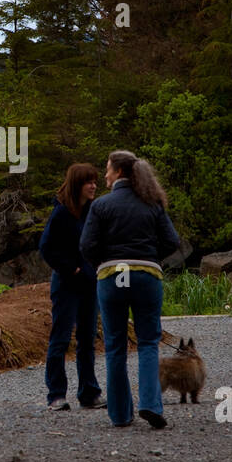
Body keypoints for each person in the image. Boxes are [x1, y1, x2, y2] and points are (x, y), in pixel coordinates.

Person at [79, 150, 181, 429]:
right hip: (146, 274)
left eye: (108, 169)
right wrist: (151, 257)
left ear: (119, 173)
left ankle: (121, 414)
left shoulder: (101, 205)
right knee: (148, 341)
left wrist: (104, 262)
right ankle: (150, 403)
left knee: (115, 345)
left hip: (112, 276)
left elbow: (87, 246)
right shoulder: (153, 204)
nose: (105, 175)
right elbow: (172, 241)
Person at [38, 163, 105, 410]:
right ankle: (56, 394)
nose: (94, 186)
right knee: (61, 338)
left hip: (89, 284)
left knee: (87, 339)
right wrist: (71, 268)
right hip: (66, 284)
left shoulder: (93, 211)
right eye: (89, 182)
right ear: (78, 183)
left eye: (96, 181)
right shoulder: (62, 213)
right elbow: (46, 248)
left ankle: (89, 392)